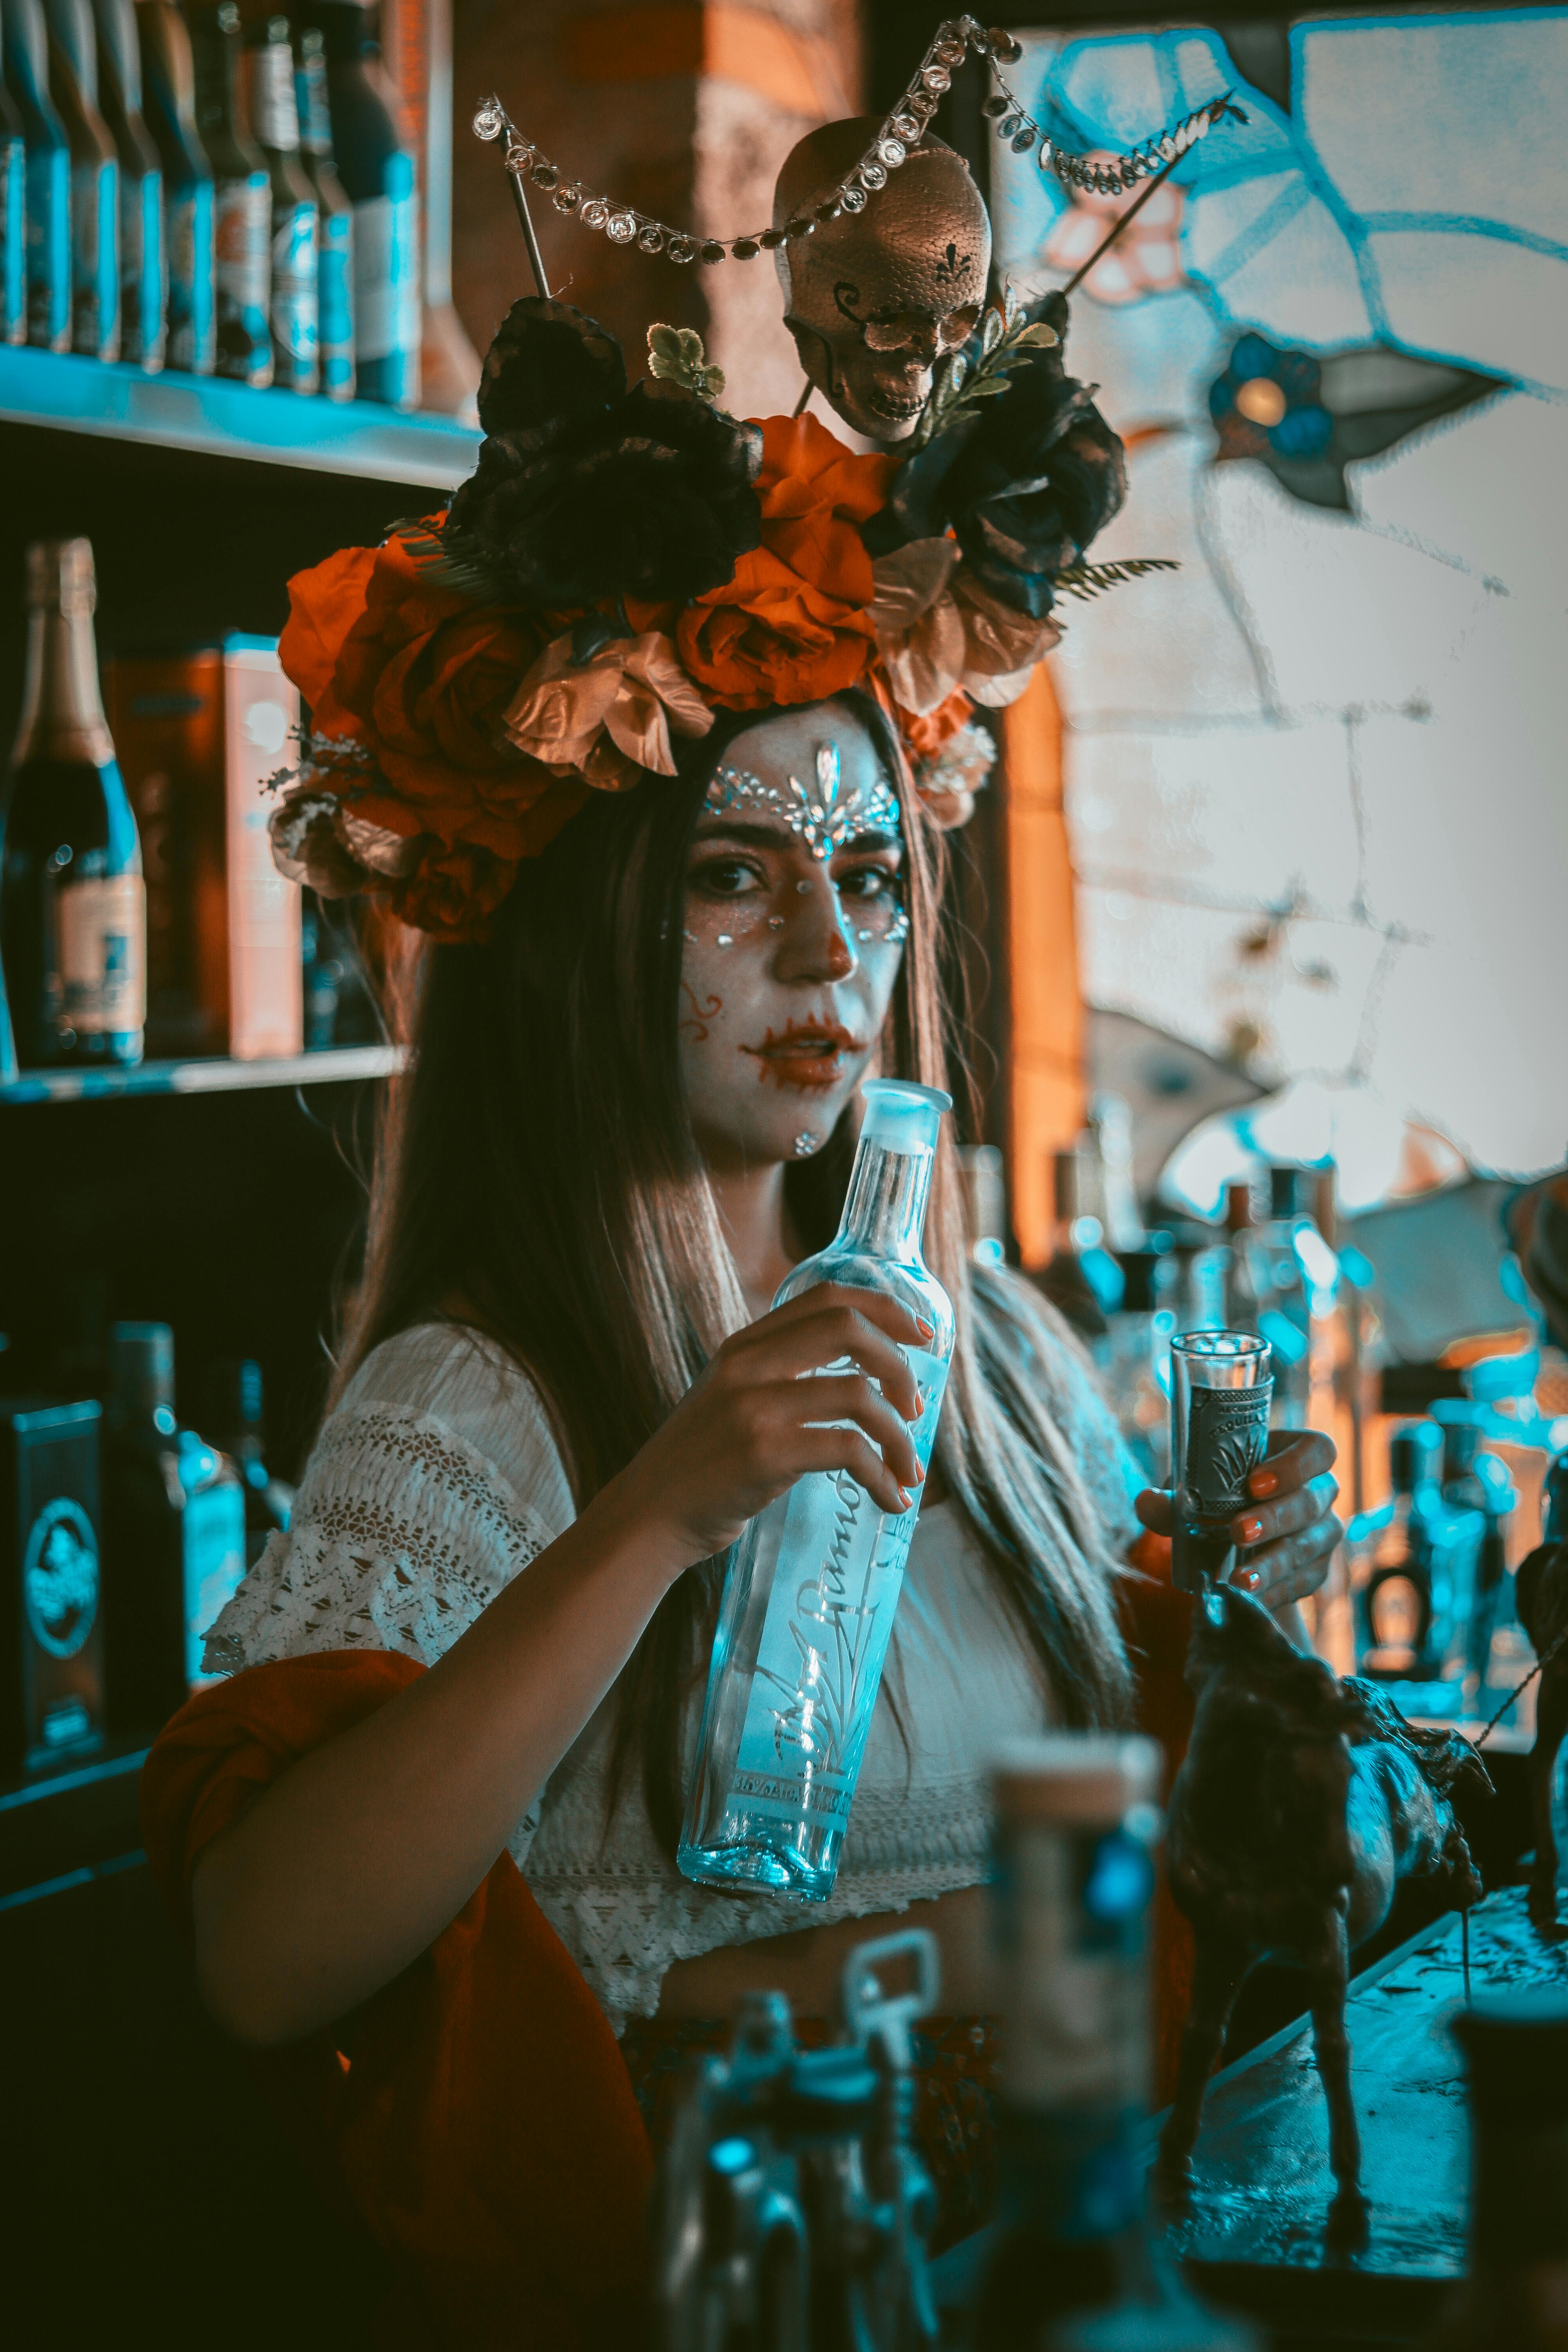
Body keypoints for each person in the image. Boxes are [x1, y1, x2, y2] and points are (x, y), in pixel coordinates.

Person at [143, 291, 1340, 2333]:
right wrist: (659, 1513)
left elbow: (1133, 1876)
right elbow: (262, 1952)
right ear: (602, 912)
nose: (825, 944)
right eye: (730, 873)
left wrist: (1229, 1618)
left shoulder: (1011, 1358)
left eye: (869, 876)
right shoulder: (484, 1404)